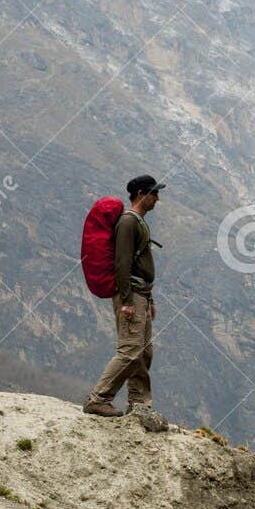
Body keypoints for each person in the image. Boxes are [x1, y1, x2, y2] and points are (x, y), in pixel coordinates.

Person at [84, 175, 166, 429]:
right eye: (154, 193)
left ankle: (139, 403)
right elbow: (122, 263)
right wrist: (128, 300)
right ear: (142, 194)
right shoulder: (129, 222)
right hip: (130, 296)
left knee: (144, 350)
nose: (157, 198)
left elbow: (139, 266)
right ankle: (99, 398)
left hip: (141, 295)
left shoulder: (138, 222)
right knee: (130, 349)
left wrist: (148, 299)